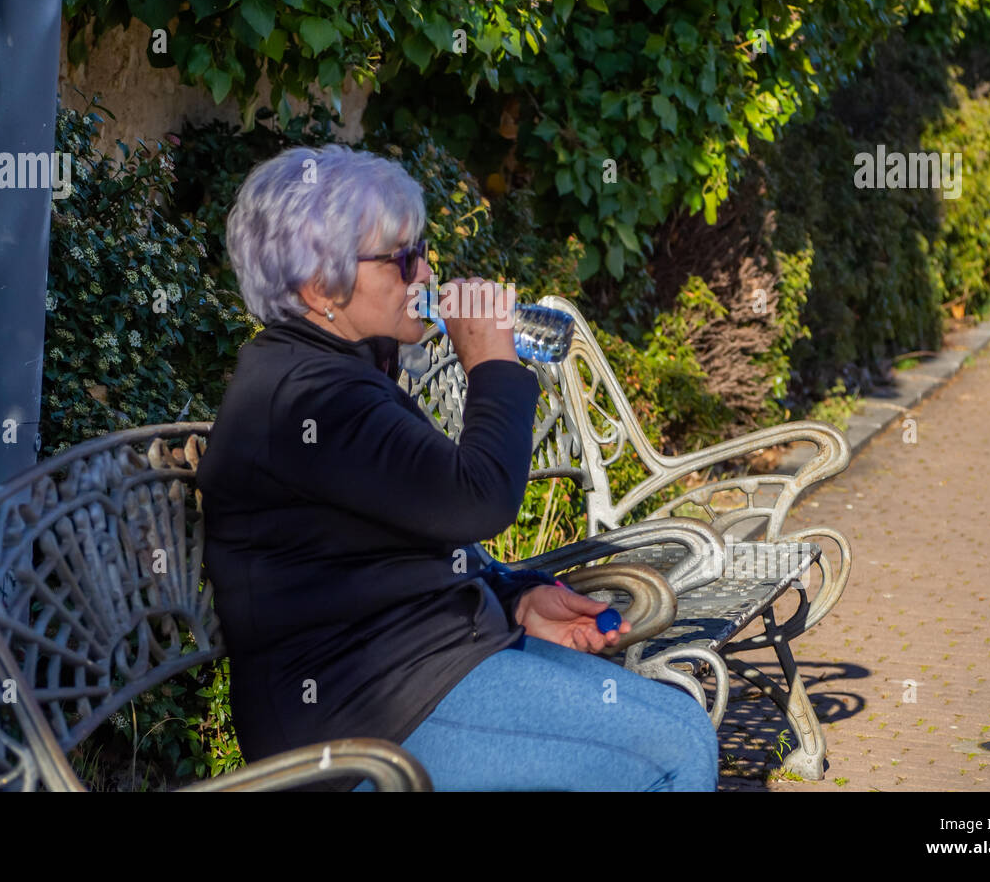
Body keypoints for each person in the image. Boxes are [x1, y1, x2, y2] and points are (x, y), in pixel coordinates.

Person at [196, 143, 719, 791]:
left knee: (678, 720)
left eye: (422, 250)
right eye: (401, 258)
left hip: (424, 671)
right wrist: (493, 365)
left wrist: (517, 595)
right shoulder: (307, 398)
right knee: (674, 747)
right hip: (360, 724)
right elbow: (479, 500)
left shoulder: (337, 373)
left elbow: (415, 534)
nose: (424, 273)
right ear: (318, 285)